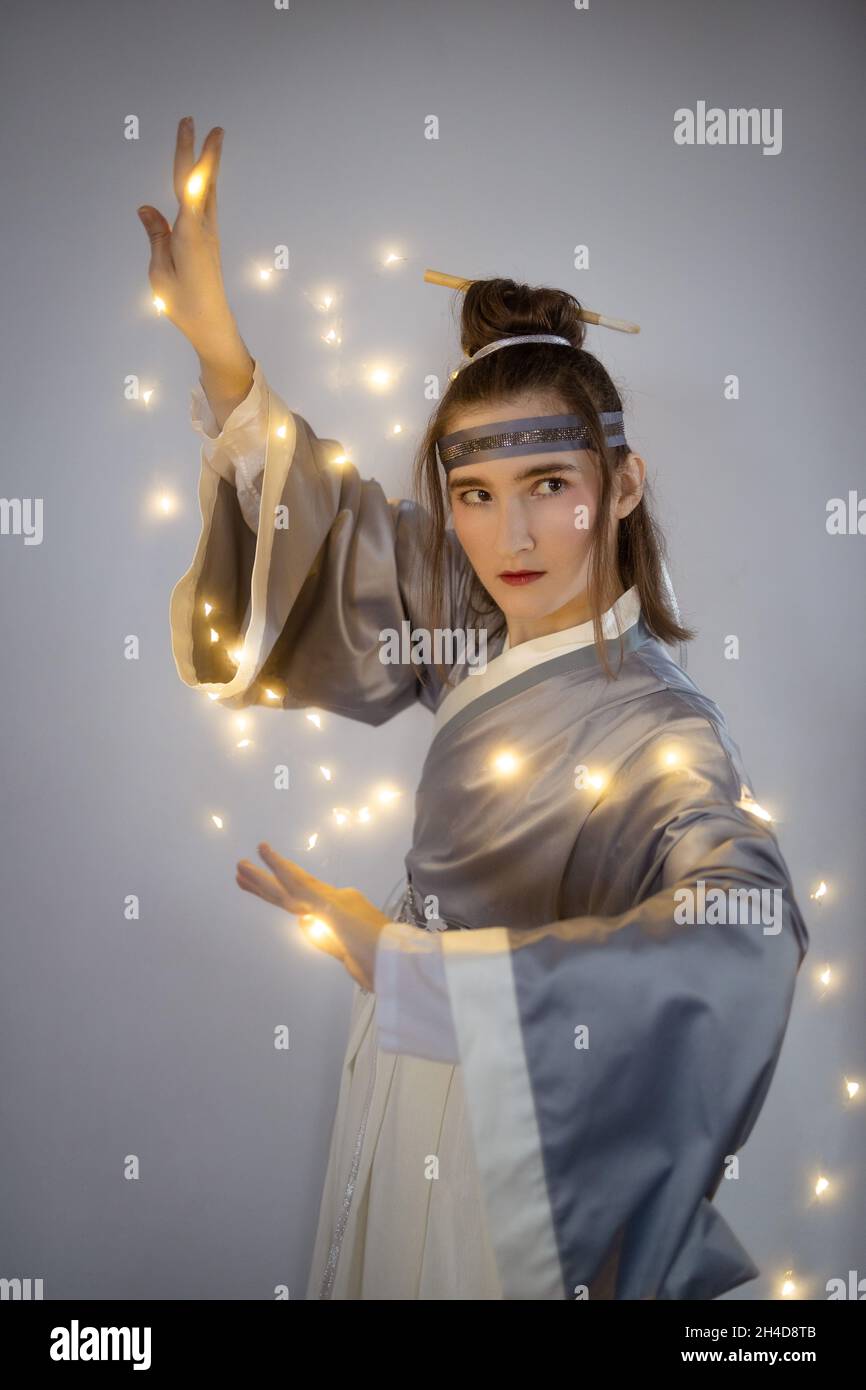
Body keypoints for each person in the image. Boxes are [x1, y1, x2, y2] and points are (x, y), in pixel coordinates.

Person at [139, 117, 810, 1301]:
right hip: (407, 1094)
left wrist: (415, 973)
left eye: (548, 486)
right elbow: (331, 530)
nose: (508, 536)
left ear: (620, 483)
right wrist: (218, 348)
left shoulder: (660, 734)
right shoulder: (473, 635)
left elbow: (743, 926)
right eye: (474, 494)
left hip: (525, 1157)